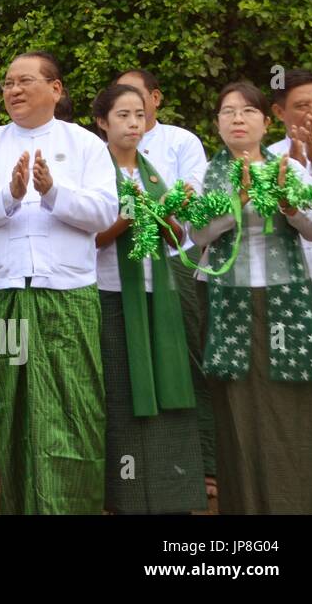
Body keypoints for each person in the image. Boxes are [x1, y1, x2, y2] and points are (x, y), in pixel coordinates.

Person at [0, 51, 118, 514]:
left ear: (56, 89)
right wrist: (9, 194)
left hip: (68, 293)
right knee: (12, 411)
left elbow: (106, 212)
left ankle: (71, 505)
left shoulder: (85, 144)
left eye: (25, 81)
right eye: (7, 83)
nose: (13, 90)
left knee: (75, 409)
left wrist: (52, 193)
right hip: (5, 293)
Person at [189, 81, 312, 514]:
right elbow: (197, 234)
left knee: (289, 406)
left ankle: (293, 505)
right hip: (228, 300)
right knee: (236, 408)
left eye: (247, 112)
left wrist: (289, 207)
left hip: (286, 300)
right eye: (227, 112)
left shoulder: (291, 169)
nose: (237, 119)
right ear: (217, 125)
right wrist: (236, 203)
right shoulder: (204, 175)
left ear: (266, 123)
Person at [91, 84, 207, 514]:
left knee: (167, 388)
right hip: (111, 292)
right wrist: (128, 219)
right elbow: (88, 239)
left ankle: (169, 494)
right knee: (121, 392)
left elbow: (177, 239)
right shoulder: (95, 169)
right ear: (102, 122)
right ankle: (124, 496)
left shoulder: (154, 172)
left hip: (158, 293)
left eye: (139, 115)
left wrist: (164, 218)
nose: (134, 124)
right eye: (122, 115)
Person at [115, 67, 215, 494]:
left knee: (187, 352)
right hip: (121, 265)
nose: (133, 116)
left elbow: (191, 193)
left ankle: (205, 460)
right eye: (123, 105)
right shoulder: (105, 149)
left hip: (174, 256)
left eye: (139, 101)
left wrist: (157, 210)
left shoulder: (180, 140)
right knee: (131, 359)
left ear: (156, 98)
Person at [267, 68, 312, 508]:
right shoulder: (265, 158)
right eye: (301, 106)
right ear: (278, 112)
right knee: (297, 396)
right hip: (288, 293)